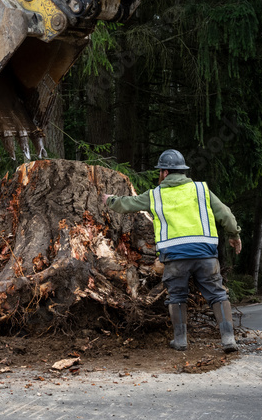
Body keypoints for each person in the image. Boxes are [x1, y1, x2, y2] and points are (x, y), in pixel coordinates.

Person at [103, 149, 242, 352]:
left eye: (159, 171)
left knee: (177, 297)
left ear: (165, 172)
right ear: (182, 171)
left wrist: (109, 200)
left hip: (176, 257)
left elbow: (128, 204)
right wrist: (234, 235)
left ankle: (181, 341)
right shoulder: (201, 190)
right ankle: (228, 339)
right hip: (205, 255)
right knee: (218, 295)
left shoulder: (156, 195)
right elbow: (226, 215)